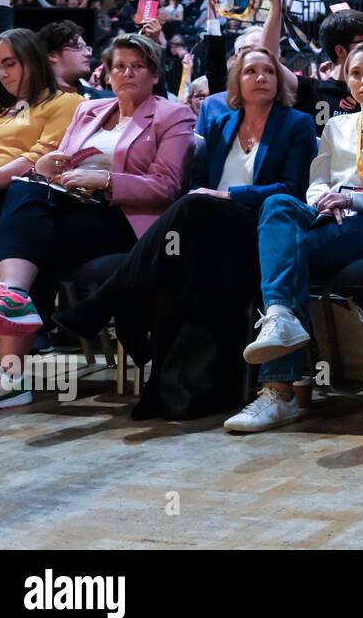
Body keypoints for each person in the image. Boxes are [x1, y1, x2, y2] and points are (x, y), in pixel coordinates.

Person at [54, 46, 316, 420]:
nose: (261, 78)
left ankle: (110, 298)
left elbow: (293, 189)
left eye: (269, 71)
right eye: (251, 71)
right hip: (206, 231)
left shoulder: (297, 124)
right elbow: (195, 183)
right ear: (236, 84)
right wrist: (211, 197)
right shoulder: (220, 125)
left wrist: (230, 194)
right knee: (178, 261)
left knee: (195, 206)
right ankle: (169, 395)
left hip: (258, 228)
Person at [0, 34, 195, 411]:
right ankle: (12, 301)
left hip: (124, 217)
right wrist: (47, 169)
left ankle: (8, 370)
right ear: (106, 74)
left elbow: (168, 186)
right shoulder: (89, 111)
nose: (127, 73)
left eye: (137, 66)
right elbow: (63, 162)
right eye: (119, 66)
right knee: (27, 189)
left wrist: (105, 180)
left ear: (155, 75)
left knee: (28, 239)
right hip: (73, 206)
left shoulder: (172, 114)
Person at [226, 42, 363, 433]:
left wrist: (350, 198)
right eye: (355, 73)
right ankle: (282, 320)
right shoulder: (335, 126)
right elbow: (315, 183)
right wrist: (324, 202)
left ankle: (280, 390)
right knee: (279, 204)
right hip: (328, 215)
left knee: (283, 259)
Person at [0, 30, 83, 262]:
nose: (2, 74)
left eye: (9, 64)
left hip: (14, 200)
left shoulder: (65, 102)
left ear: (33, 59)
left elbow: (40, 160)